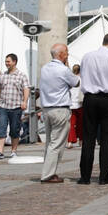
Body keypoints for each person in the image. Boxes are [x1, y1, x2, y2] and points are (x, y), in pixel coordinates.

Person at [78, 34, 108, 185]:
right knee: (106, 139)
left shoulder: (87, 57)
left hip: (90, 99)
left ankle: (85, 176)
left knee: (88, 138)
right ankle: (104, 176)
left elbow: (82, 75)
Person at [38, 43, 78, 183]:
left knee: (50, 143)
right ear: (61, 54)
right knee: (56, 144)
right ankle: (48, 174)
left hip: (47, 108)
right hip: (60, 108)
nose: (67, 54)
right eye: (66, 52)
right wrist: (67, 66)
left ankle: (49, 171)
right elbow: (76, 82)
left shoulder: (44, 68)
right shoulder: (63, 70)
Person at [0, 53, 29, 160]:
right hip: (3, 106)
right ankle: (0, 151)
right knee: (1, 128)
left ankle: (13, 151)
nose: (6, 63)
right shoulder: (3, 76)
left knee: (14, 129)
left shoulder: (21, 75)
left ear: (14, 62)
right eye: (6, 61)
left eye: (8, 61)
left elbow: (26, 89)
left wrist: (25, 101)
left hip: (16, 106)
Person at [68, 65, 83, 146]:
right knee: (81, 123)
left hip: (71, 104)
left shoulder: (70, 79)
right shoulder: (82, 79)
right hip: (80, 103)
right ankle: (81, 140)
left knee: (71, 124)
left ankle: (70, 141)